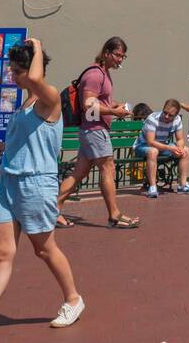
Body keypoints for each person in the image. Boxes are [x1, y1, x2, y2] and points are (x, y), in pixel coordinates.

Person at [0, 39, 84, 343]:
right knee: (1, 254)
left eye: (17, 71)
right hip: (9, 183)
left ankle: (73, 299)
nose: (13, 77)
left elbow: (34, 80)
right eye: (12, 71)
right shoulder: (26, 104)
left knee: (44, 249)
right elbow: (26, 141)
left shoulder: (50, 98)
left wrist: (39, 46)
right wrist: (3, 149)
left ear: (31, 68)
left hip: (36, 184)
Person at [56, 36, 138, 229]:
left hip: (91, 130)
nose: (120, 60)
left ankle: (51, 211)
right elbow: (88, 105)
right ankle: (114, 215)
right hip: (94, 129)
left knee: (79, 173)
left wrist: (114, 105)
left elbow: (97, 101)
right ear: (107, 53)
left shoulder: (103, 73)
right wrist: (113, 111)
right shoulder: (95, 75)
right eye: (118, 55)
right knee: (107, 168)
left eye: (123, 56)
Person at [135, 99, 189, 196]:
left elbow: (180, 139)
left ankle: (182, 186)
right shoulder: (153, 118)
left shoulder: (177, 120)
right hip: (143, 146)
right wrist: (170, 148)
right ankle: (152, 187)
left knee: (186, 151)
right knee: (153, 151)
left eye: (170, 115)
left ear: (176, 115)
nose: (166, 116)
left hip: (163, 146)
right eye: (165, 113)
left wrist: (179, 149)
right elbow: (150, 142)